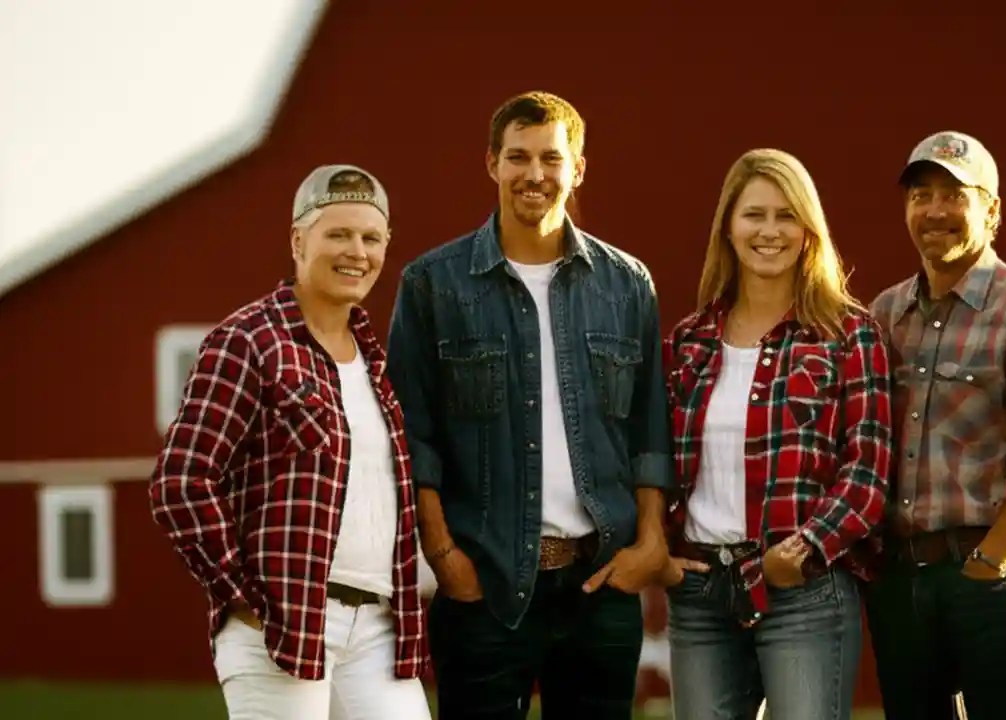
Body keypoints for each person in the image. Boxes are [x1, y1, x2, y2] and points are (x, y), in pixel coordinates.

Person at [385, 90, 673, 719]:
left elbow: (650, 428)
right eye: (518, 157)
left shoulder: (627, 285)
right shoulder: (433, 284)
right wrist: (444, 558)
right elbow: (412, 436)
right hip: (482, 585)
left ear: (578, 168)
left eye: (551, 158)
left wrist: (650, 543)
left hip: (601, 583)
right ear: (491, 163)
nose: (535, 175)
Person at [148, 165, 431, 719]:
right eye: (338, 234)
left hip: (377, 626)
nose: (357, 251)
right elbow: (181, 481)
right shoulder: (247, 341)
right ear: (299, 240)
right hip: (281, 625)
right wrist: (242, 594)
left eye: (371, 238)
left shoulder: (377, 361)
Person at [659, 148, 893, 720]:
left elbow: (867, 473)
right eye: (754, 215)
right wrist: (661, 549)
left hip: (804, 591)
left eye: (786, 216)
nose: (770, 231)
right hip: (700, 593)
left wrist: (806, 548)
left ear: (808, 230)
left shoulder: (848, 335)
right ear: (729, 228)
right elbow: (655, 461)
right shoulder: (689, 341)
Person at [865, 130, 1006, 720]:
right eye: (921, 195)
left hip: (994, 575)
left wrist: (986, 568)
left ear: (992, 211)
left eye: (955, 195)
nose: (934, 210)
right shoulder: (885, 314)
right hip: (902, 582)